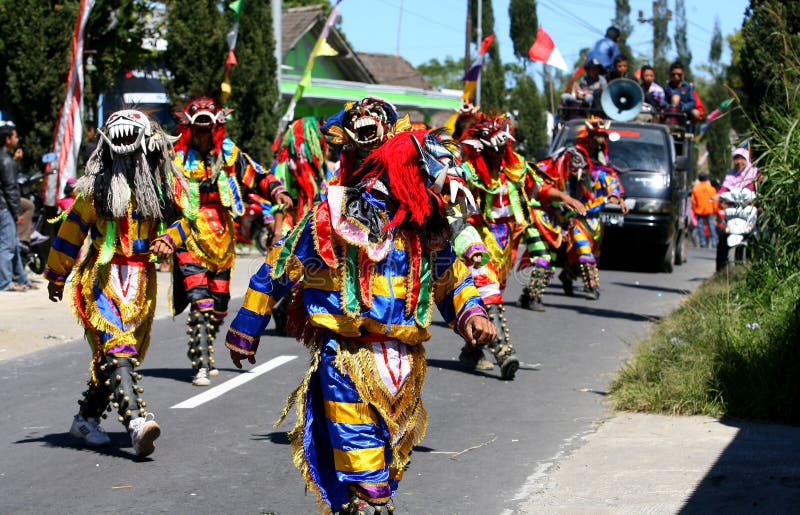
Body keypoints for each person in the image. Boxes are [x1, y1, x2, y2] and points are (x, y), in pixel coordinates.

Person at [213, 130, 496, 515]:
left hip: (405, 364)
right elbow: (280, 265)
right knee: (366, 470)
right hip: (349, 359)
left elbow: (450, 278)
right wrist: (246, 328)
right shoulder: (336, 215)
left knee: (390, 461)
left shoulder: (427, 227)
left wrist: (473, 314)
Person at [44, 109, 180, 457]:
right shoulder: (93, 191)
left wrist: (170, 238)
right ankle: (136, 423)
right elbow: (70, 231)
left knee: (119, 356)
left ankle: (85, 419)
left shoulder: (161, 189)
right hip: (102, 280)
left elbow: (185, 220)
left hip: (142, 283)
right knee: (118, 349)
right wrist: (57, 275)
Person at [150, 97, 293, 386]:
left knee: (219, 305)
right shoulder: (175, 158)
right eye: (198, 128)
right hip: (187, 232)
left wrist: (277, 192)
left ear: (216, 128)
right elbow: (157, 193)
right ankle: (201, 363)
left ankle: (204, 347)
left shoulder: (229, 154)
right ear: (189, 129)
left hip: (221, 236)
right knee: (199, 300)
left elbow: (259, 175)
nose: (203, 134)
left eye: (208, 128)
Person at [459, 113, 585, 373]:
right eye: (492, 150)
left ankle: (471, 351)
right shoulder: (469, 172)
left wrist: (563, 197)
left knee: (487, 297)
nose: (497, 155)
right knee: (488, 293)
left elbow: (537, 190)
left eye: (501, 149)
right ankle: (505, 353)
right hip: (477, 238)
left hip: (506, 241)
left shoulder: (514, 168)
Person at [0, 121, 33, 292]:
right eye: (14, 136)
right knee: (7, 246)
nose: (17, 139)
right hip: (4, 207)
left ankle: (21, 279)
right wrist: (16, 212)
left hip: (5, 206)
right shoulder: (5, 160)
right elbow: (10, 188)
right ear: (7, 139)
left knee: (13, 243)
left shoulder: (6, 159)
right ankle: (5, 283)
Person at [714, 147, 760, 271]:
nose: (738, 162)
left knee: (757, 238)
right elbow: (724, 190)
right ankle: (720, 270)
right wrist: (719, 197)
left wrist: (756, 201)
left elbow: (759, 188)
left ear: (747, 160)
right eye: (736, 158)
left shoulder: (754, 173)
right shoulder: (730, 175)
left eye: (742, 158)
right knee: (723, 237)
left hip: (750, 213)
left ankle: (757, 265)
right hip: (734, 213)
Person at [691, 172, 718, 248]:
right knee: (711, 225)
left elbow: (693, 201)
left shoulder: (695, 188)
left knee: (700, 226)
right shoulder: (711, 189)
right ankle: (714, 241)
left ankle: (702, 242)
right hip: (709, 210)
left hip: (699, 210)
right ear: (706, 178)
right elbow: (715, 200)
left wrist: (695, 210)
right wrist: (715, 210)